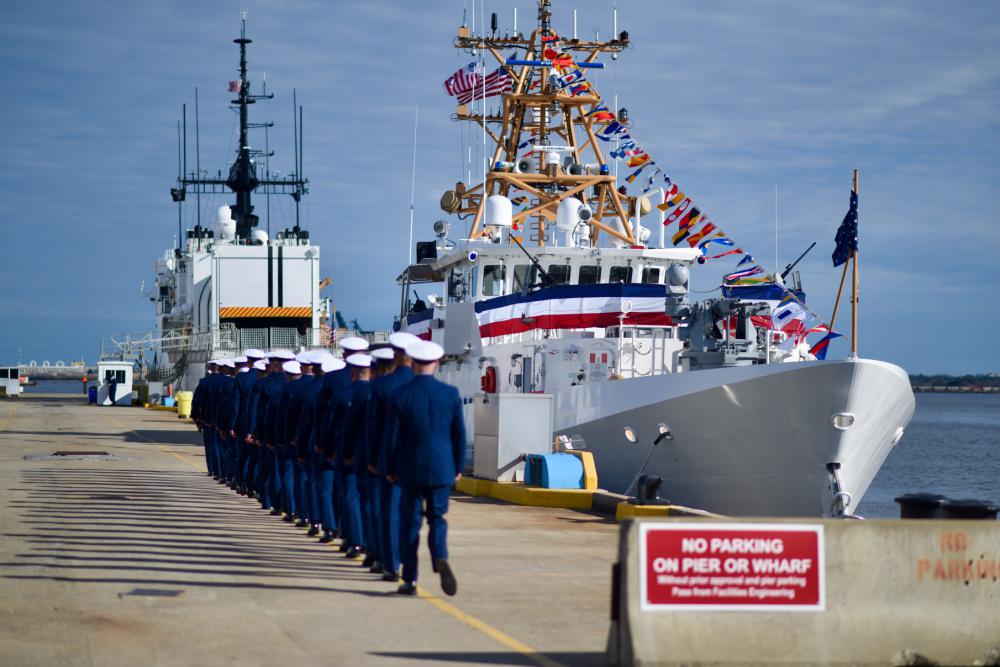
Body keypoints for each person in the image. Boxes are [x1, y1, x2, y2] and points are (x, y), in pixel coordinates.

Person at [385, 340, 466, 596]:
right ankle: (440, 556)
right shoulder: (450, 394)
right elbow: (459, 435)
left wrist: (390, 467)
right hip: (441, 468)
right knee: (437, 518)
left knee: (409, 524)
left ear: (412, 362)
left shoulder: (399, 395)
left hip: (409, 470)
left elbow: (392, 438)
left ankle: (409, 579)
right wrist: (457, 466)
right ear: (437, 363)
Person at [368, 332, 418, 580]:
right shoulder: (425, 385)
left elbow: (376, 428)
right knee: (412, 516)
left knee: (387, 511)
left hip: (388, 459)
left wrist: (376, 459)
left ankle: (389, 562)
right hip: (420, 462)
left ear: (396, 354)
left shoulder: (381, 386)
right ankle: (410, 564)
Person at [338, 352, 373, 559]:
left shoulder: (345, 392)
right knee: (372, 502)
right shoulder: (377, 392)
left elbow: (338, 425)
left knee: (350, 496)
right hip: (376, 455)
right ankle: (372, 545)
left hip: (351, 454)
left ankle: (355, 540)